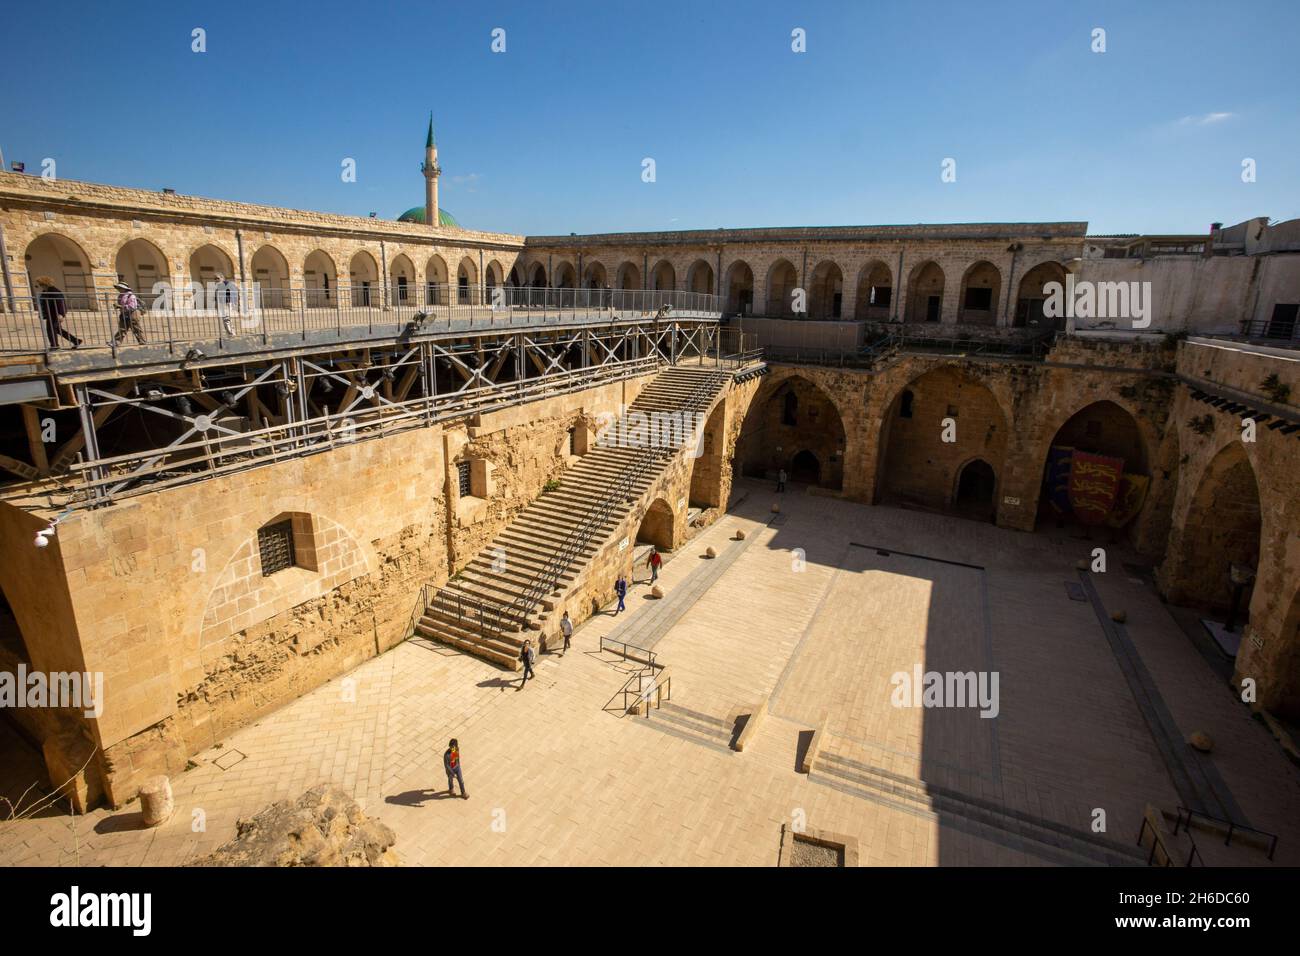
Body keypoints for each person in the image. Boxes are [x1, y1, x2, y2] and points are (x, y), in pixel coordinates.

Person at [35, 277, 82, 349]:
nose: (40, 287)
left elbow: (60, 303)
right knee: (57, 329)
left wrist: (61, 314)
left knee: (51, 330)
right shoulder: (45, 292)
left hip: (55, 314)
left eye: (40, 285)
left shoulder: (54, 291)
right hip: (50, 314)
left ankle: (54, 345)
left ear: (44, 284)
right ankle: (75, 341)